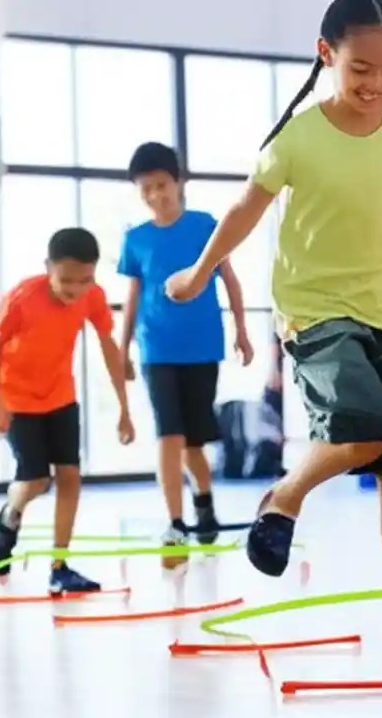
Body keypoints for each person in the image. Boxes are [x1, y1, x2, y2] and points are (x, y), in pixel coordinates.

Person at [162, 0, 382, 665]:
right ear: (326, 54)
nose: (377, 83)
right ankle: (286, 496)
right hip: (314, 307)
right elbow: (247, 209)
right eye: (362, 68)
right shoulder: (297, 137)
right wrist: (199, 273)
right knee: (358, 431)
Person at [118, 141, 253, 567]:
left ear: (178, 182)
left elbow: (229, 279)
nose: (156, 195)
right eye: (146, 189)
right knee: (168, 435)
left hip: (202, 345)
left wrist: (243, 331)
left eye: (162, 185)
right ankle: (175, 523)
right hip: (156, 348)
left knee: (193, 441)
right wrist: (122, 351)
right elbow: (132, 298)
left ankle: (204, 502)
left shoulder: (204, 226)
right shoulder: (135, 239)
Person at [0, 228, 134, 593]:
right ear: (47, 267)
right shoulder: (23, 297)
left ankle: (59, 564)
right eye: (66, 280)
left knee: (69, 476)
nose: (75, 289)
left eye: (85, 280)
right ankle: (10, 516)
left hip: (61, 395)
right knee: (36, 480)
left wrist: (123, 408)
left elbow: (108, 346)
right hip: (18, 397)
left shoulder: (91, 296)